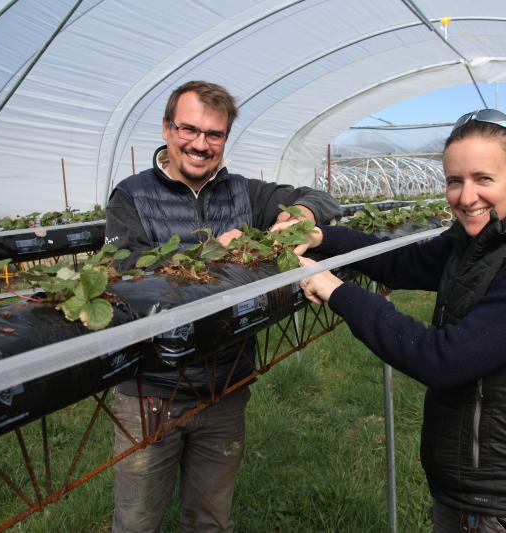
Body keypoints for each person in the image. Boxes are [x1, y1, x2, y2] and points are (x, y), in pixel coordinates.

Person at [283, 109, 506, 532]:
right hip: (467, 488)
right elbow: (401, 262)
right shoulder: (476, 243)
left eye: (484, 179)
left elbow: (442, 359)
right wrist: (323, 238)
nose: (466, 197)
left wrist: (337, 291)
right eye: (454, 181)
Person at [104, 80, 340, 533]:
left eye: (214, 135)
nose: (200, 144)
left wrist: (302, 215)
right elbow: (123, 272)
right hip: (152, 390)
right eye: (188, 129)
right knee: (136, 521)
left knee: (211, 519)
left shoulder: (244, 193)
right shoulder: (131, 195)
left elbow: (324, 199)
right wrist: (209, 257)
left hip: (226, 384)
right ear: (167, 128)